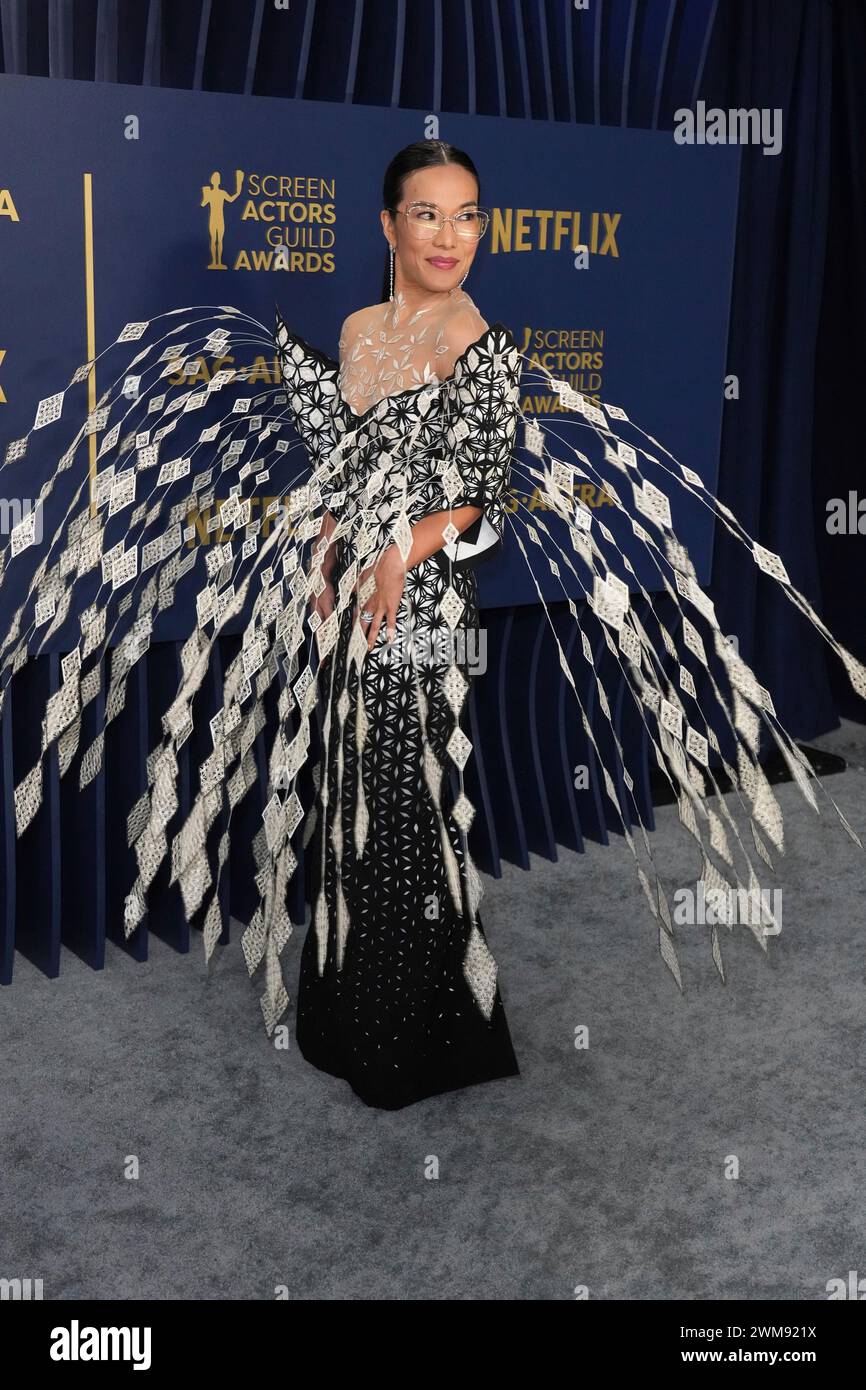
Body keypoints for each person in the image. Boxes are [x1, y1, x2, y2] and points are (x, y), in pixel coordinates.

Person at [2, 139, 865, 1112]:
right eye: (428, 213)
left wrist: (395, 553)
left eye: (466, 215)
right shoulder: (358, 328)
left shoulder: (475, 339)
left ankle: (412, 1040)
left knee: (408, 799)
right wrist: (330, 541)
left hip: (419, 600)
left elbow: (479, 491)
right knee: (348, 793)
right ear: (389, 225)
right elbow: (344, 463)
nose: (450, 236)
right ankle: (344, 1016)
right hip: (346, 598)